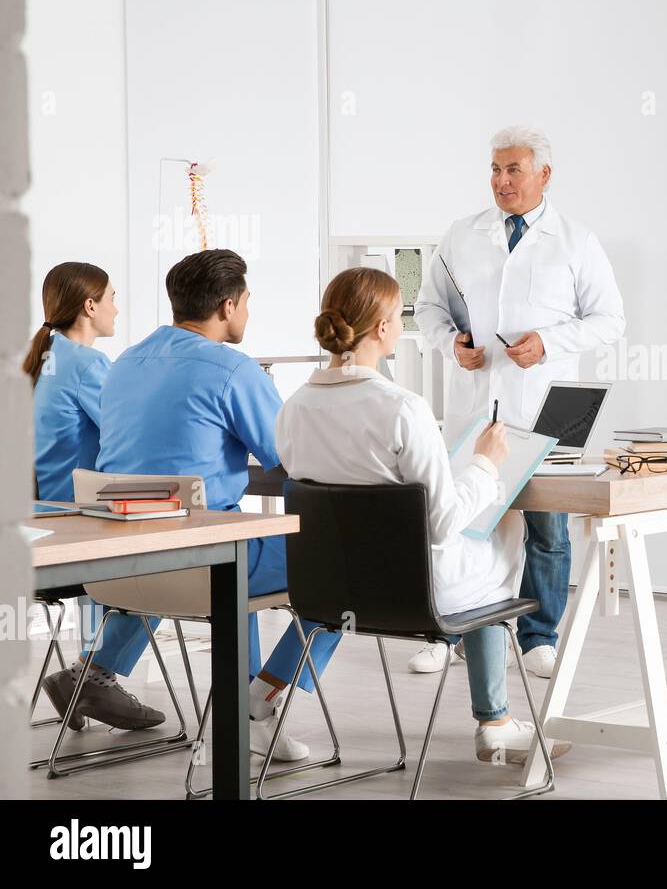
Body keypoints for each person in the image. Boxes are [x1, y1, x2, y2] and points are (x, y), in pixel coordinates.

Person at [41, 249, 339, 763]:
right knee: (342, 566)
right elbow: (292, 454)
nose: (248, 312)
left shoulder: (124, 363)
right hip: (204, 566)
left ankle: (102, 670)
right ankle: (259, 701)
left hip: (118, 570)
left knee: (226, 536)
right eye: (247, 301)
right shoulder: (232, 369)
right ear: (228, 306)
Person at [277, 266, 570, 764]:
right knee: (502, 532)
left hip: (330, 590)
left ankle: (262, 698)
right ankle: (495, 723)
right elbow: (442, 523)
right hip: (415, 594)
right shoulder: (403, 409)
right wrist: (485, 463)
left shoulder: (293, 408)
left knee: (479, 550)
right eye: (399, 316)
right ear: (383, 328)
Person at [411, 125, 625, 678]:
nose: (501, 180)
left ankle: (538, 638)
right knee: (461, 520)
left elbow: (610, 320)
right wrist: (450, 344)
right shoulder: (462, 234)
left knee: (547, 529)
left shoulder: (576, 240)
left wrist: (549, 343)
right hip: (476, 405)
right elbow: (428, 308)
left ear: (544, 175)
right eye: (495, 169)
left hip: (545, 407)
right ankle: (449, 631)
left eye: (513, 170)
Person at [25, 263, 118, 503]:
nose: (116, 310)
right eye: (112, 298)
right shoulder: (87, 364)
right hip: (74, 508)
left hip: (38, 505)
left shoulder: (36, 354)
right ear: (90, 306)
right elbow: (125, 432)